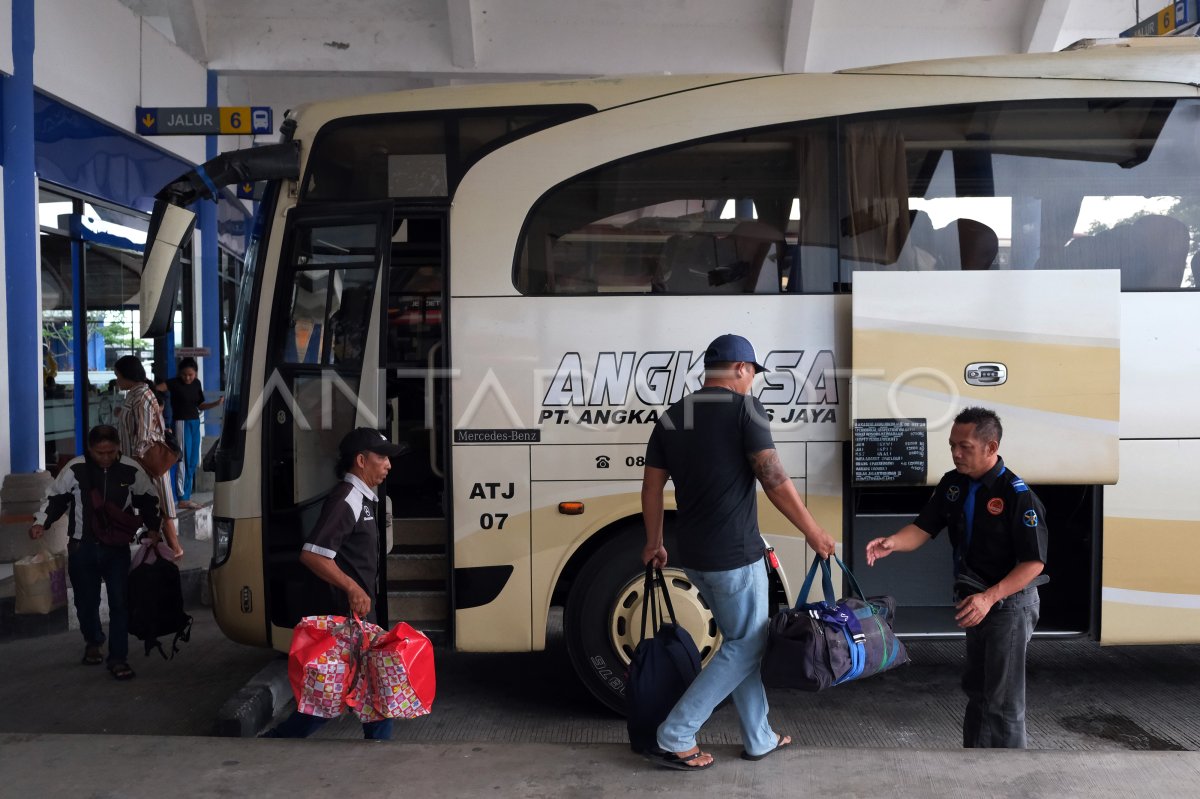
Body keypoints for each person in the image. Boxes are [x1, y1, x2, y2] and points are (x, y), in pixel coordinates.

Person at [639, 333, 837, 770]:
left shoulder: (674, 415)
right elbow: (773, 478)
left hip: (692, 554)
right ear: (741, 369)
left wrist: (654, 542)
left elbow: (652, 485)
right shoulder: (745, 408)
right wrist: (813, 532)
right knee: (749, 644)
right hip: (734, 554)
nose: (753, 383)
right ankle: (676, 733)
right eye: (752, 374)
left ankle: (759, 736)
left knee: (742, 641)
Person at [865, 406, 1048, 749]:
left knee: (1003, 700)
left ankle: (1007, 776)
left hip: (1007, 603)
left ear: (991, 447)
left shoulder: (1017, 494)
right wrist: (892, 542)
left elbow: (1033, 563)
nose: (956, 453)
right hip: (975, 599)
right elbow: (923, 528)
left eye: (965, 447)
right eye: (952, 445)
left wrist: (989, 597)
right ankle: (975, 765)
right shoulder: (954, 484)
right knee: (978, 690)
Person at [264, 426, 405, 741]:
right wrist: (353, 588)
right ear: (360, 460)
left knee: (360, 696)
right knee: (337, 698)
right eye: (381, 457)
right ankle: (279, 741)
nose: (388, 465)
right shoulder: (347, 498)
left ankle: (283, 740)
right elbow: (313, 555)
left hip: (355, 620)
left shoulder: (363, 498)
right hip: (343, 619)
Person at [29, 424, 162, 681]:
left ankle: (118, 658)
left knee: (119, 604)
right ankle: (93, 640)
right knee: (85, 603)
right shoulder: (75, 468)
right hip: (82, 547)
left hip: (117, 549)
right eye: (100, 452)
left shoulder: (130, 469)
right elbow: (55, 498)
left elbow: (148, 498)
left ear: (118, 448)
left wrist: (154, 528)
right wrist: (40, 523)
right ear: (90, 449)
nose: (106, 457)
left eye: (111, 452)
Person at [113, 355, 183, 560]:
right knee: (153, 508)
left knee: (160, 507)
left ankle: (175, 551)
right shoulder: (134, 394)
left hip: (146, 464)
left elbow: (143, 438)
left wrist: (131, 465)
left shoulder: (142, 396)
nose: (116, 380)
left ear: (128, 376)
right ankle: (163, 552)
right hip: (138, 463)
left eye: (118, 375)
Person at [166, 357, 223, 509]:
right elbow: (156, 388)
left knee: (192, 461)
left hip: (195, 422)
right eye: (184, 374)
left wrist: (216, 404)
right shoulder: (174, 383)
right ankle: (182, 498)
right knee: (183, 460)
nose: (187, 377)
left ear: (196, 373)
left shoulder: (196, 383)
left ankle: (187, 496)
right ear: (180, 373)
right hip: (181, 423)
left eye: (191, 374)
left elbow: (200, 405)